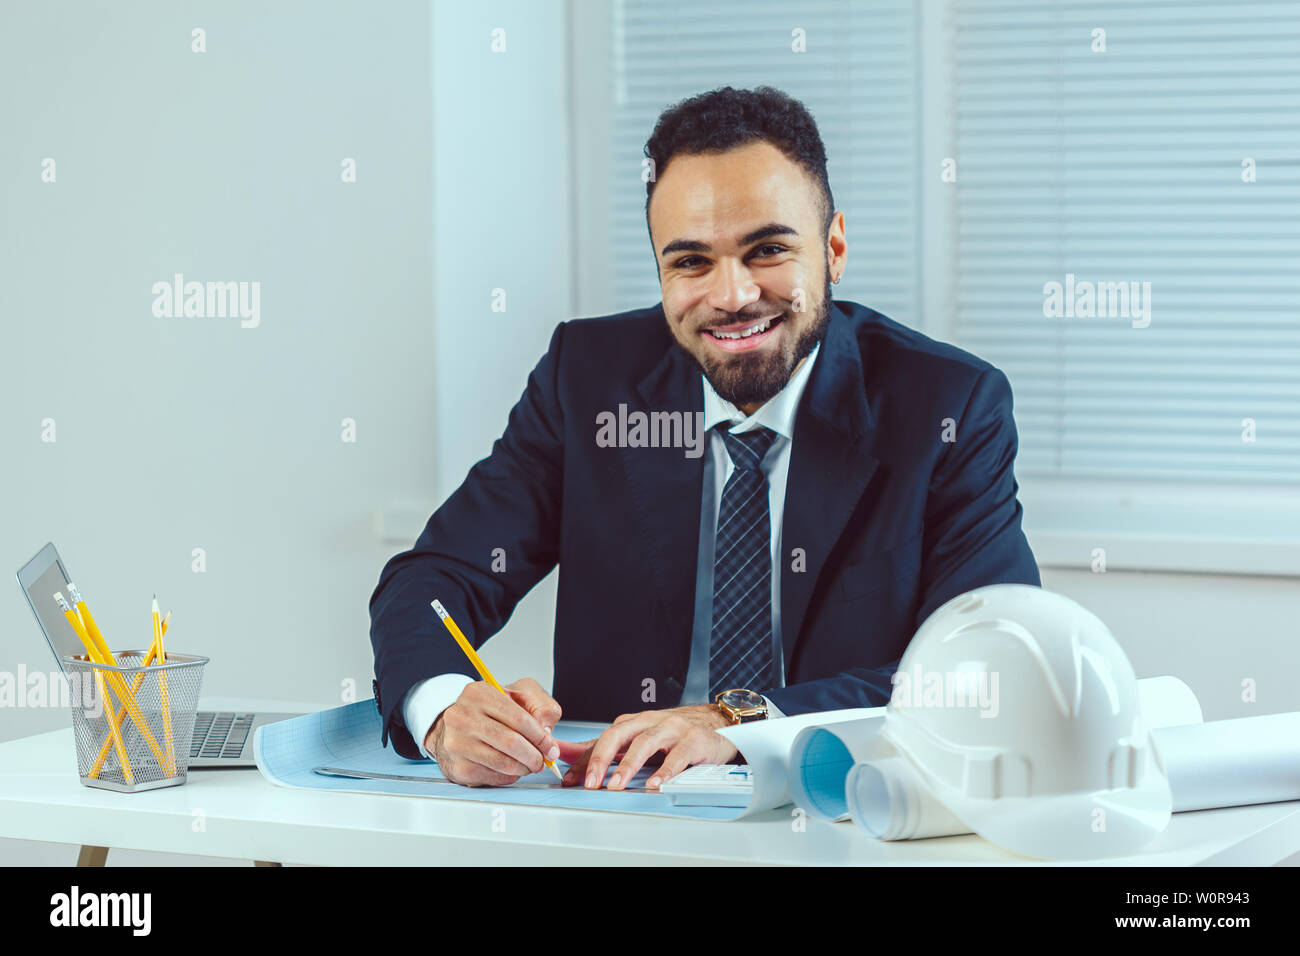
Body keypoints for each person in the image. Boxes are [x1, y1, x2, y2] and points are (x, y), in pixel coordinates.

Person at [369, 85, 1039, 792]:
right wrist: (444, 709)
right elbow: (434, 580)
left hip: (847, 809)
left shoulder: (949, 405)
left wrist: (736, 721)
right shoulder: (590, 380)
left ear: (834, 248)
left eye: (768, 250)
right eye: (691, 261)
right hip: (619, 811)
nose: (731, 295)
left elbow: (988, 667)